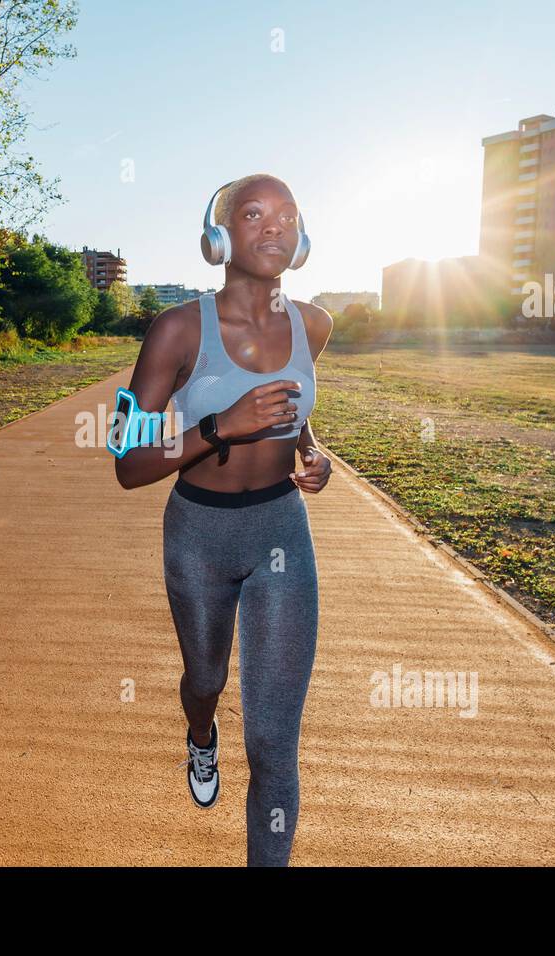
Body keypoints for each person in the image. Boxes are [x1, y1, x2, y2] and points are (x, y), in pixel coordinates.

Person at [114, 173, 333, 866]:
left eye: (287, 215)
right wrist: (220, 426)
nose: (274, 226)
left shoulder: (315, 323)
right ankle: (199, 735)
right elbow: (127, 460)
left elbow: (296, 410)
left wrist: (311, 449)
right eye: (253, 214)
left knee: (273, 742)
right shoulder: (177, 329)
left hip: (280, 532)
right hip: (199, 535)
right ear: (220, 237)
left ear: (302, 239)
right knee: (204, 681)